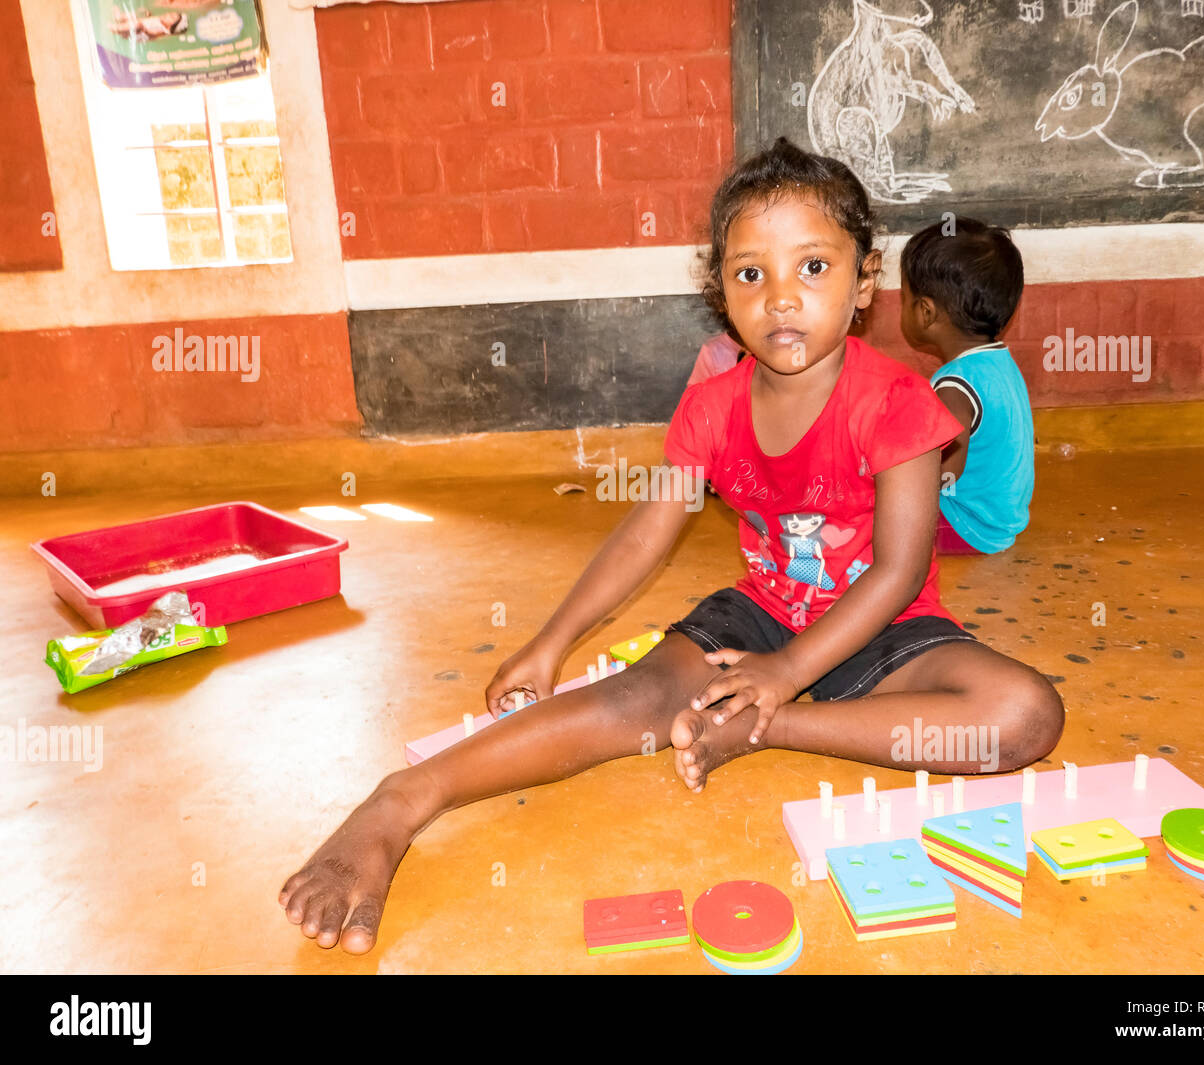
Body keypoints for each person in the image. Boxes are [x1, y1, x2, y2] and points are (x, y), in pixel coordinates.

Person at [278, 138, 1064, 955]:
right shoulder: (713, 408)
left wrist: (785, 683)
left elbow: (901, 573)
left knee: (1023, 715)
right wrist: (549, 643)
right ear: (721, 291)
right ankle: (400, 801)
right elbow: (647, 530)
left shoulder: (898, 403)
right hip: (760, 617)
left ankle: (768, 726)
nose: (781, 298)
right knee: (631, 704)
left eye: (814, 268)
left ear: (866, 281)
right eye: (750, 273)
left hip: (884, 629)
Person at [899, 218, 1033, 554]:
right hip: (998, 522)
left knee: (859, 510)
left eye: (905, 298)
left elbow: (943, 471)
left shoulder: (955, 385)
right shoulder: (997, 362)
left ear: (926, 313)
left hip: (964, 527)